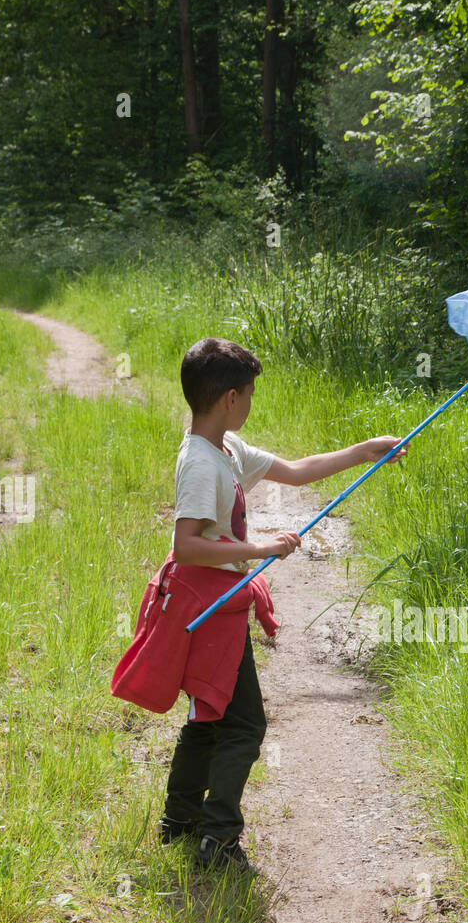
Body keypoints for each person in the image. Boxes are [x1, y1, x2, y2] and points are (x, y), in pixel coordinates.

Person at [159, 336, 405, 872]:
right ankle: (219, 841)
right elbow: (187, 543)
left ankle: (179, 820)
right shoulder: (201, 463)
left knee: (209, 712)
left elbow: (296, 470)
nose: (251, 402)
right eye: (248, 393)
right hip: (205, 608)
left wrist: (366, 450)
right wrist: (260, 547)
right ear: (229, 397)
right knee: (244, 724)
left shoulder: (226, 450)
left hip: (221, 605)